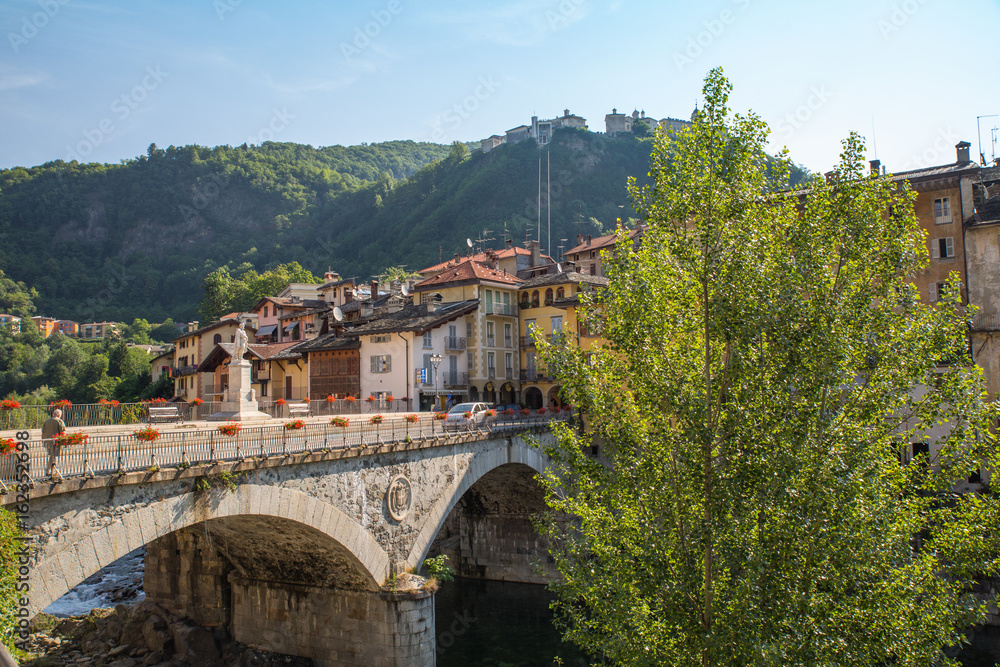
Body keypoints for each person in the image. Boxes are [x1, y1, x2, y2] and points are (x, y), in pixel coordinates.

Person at [42, 408, 66, 478]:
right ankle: (52, 470)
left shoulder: (47, 421)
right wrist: (64, 441)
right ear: (58, 415)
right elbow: (62, 432)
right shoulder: (59, 421)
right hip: (56, 441)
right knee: (54, 456)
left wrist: (43, 440)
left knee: (51, 455)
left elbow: (43, 432)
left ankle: (49, 470)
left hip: (48, 441)